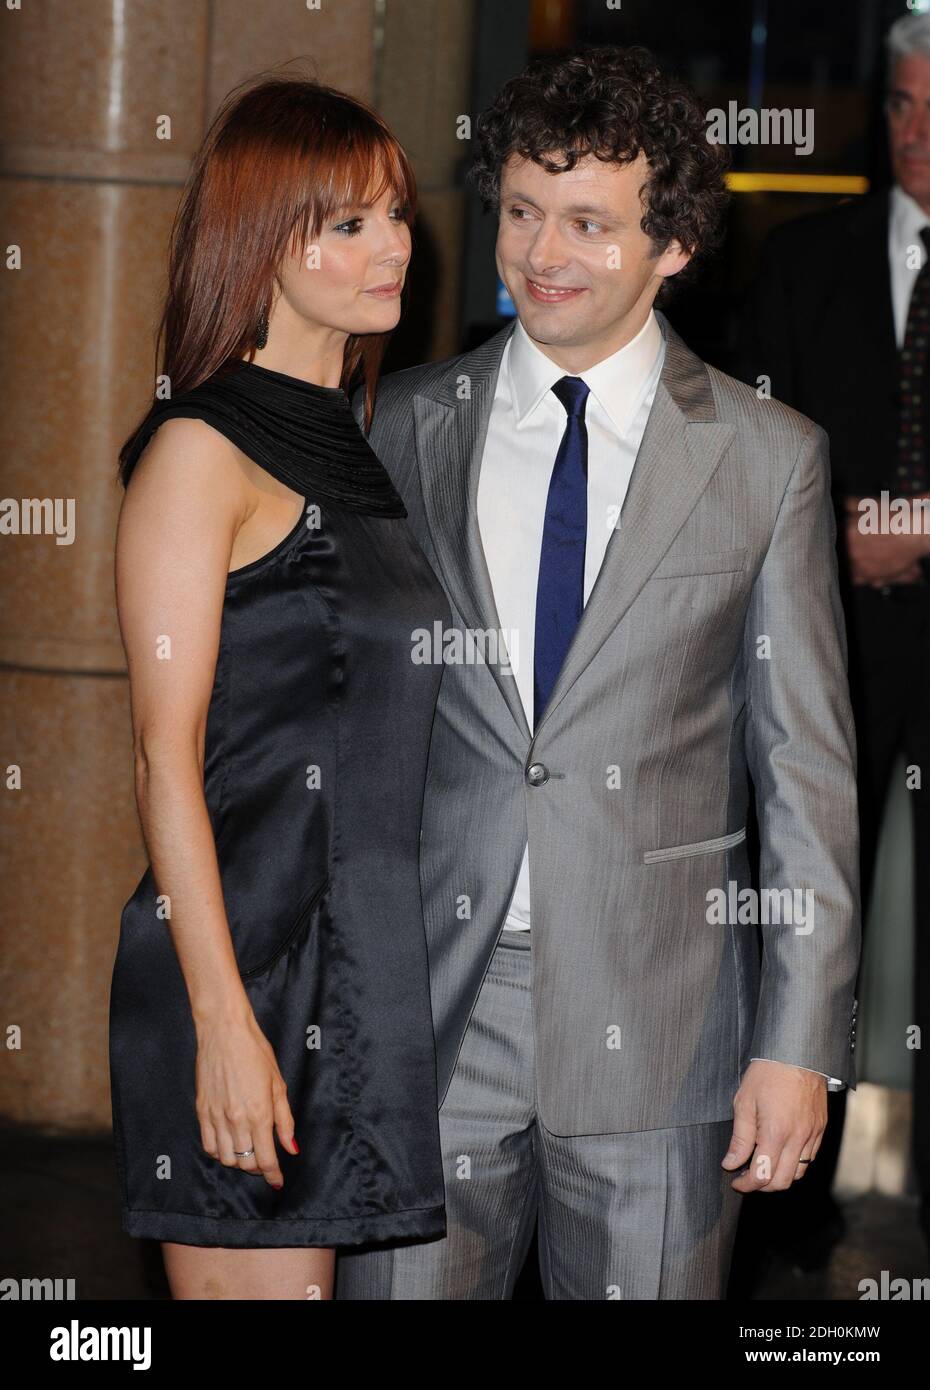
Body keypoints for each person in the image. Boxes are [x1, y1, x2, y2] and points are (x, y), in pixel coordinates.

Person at [336, 43, 860, 1301]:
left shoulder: (766, 456)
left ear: (672, 245)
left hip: (663, 1031)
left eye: (587, 221)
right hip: (434, 1018)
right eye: (520, 210)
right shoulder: (407, 425)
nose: (540, 252)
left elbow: (804, 771)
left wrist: (799, 1048)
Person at [108, 74, 450, 1300]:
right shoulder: (201, 450)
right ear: (263, 240)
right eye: (348, 222)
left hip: (358, 972)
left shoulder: (354, 441)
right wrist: (222, 1022)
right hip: (240, 970)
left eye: (397, 213)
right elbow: (164, 753)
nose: (395, 243)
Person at [737, 9, 930, 1263]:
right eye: (906, 106)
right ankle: (786, 1198)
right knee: (802, 905)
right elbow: (749, 451)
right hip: (827, 642)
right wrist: (833, 536)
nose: (922, 135)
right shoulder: (804, 261)